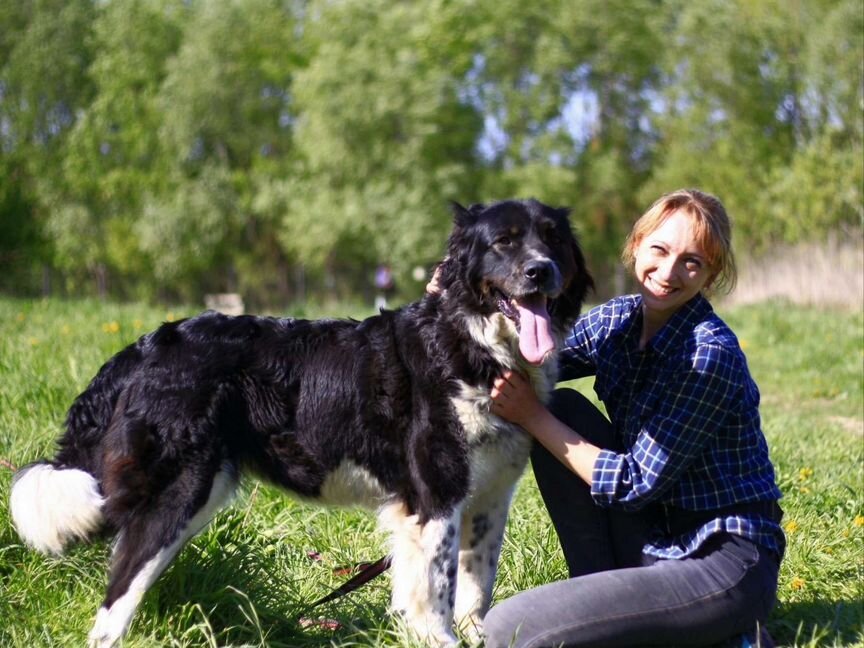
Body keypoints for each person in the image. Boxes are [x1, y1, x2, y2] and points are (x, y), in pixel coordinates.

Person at [481, 189, 784, 647]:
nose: (668, 272)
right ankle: (620, 611)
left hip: (723, 559)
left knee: (510, 630)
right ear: (636, 246)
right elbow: (530, 355)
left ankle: (722, 625)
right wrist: (457, 290)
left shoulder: (707, 355)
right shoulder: (618, 321)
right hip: (648, 538)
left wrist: (531, 415)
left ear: (711, 274)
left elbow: (633, 482)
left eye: (692, 262)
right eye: (659, 250)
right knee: (566, 408)